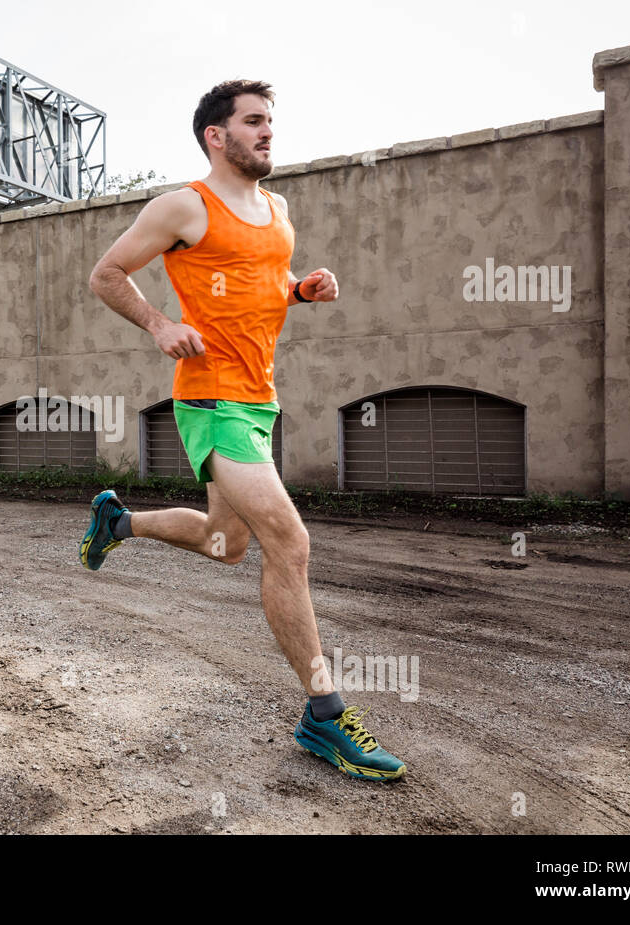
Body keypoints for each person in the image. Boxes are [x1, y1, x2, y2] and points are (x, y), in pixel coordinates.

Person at [81, 79, 406, 781]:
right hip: (210, 398)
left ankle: (118, 522)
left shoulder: (277, 209)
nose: (267, 132)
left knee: (224, 542)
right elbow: (106, 274)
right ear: (215, 136)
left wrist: (299, 290)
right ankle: (324, 716)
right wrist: (162, 324)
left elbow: (259, 280)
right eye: (253, 122)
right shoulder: (182, 207)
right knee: (288, 541)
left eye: (270, 122)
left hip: (258, 400)